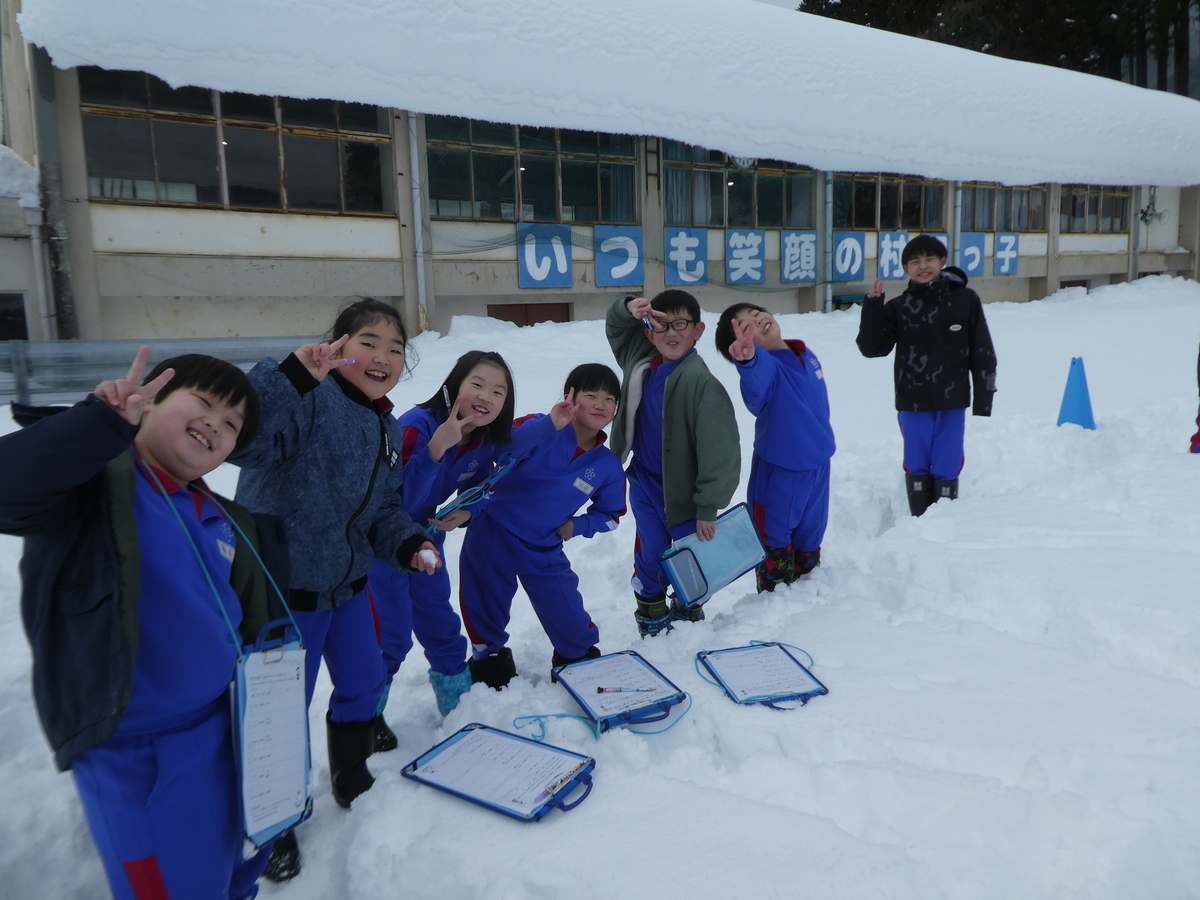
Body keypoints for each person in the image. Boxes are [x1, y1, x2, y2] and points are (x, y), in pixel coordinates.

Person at [0, 348, 288, 900]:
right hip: (135, 753)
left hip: (221, 730)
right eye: (203, 403)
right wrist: (98, 426)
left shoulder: (220, 516)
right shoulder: (91, 483)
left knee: (234, 865)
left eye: (232, 425)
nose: (216, 424)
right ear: (149, 402)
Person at [231, 298, 438, 881]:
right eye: (368, 341)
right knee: (275, 714)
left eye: (396, 349)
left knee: (365, 682)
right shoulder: (305, 400)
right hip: (279, 595)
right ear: (338, 345)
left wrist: (408, 543)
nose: (383, 357)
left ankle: (348, 772)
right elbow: (246, 437)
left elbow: (382, 512)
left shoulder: (387, 426)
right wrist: (292, 375)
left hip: (345, 591)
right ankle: (270, 826)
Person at [365, 350, 516, 728]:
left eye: (498, 392)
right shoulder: (415, 426)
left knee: (441, 625)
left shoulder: (485, 441)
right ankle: (364, 718)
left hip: (430, 542)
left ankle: (457, 709)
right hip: (385, 547)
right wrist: (436, 450)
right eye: (477, 385)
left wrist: (468, 511)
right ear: (454, 386)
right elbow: (396, 503)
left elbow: (487, 488)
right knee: (390, 636)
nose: (486, 397)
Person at [458, 364, 627, 688]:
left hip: (544, 546)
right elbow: (499, 448)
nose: (600, 404)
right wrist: (548, 426)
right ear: (570, 396)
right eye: (591, 394)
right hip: (495, 533)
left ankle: (575, 656)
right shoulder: (540, 427)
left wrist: (577, 526)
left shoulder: (606, 466)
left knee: (568, 615)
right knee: (483, 602)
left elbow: (612, 515)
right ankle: (489, 659)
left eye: (609, 398)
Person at [605, 290, 741, 636]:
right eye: (661, 325)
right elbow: (617, 329)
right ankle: (650, 608)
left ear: (698, 330)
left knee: (688, 555)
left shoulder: (702, 384)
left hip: (686, 496)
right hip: (645, 483)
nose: (671, 333)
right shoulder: (639, 359)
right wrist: (628, 309)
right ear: (649, 333)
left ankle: (688, 609)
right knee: (650, 551)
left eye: (681, 324)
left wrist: (708, 505)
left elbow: (721, 452)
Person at [856, 236, 997, 517]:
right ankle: (918, 522)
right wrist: (872, 307)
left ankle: (945, 521)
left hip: (952, 400)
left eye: (929, 259)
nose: (923, 266)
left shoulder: (965, 300)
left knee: (947, 461)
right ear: (906, 268)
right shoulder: (899, 306)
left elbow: (983, 350)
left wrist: (983, 399)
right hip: (912, 400)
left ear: (942, 262)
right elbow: (872, 349)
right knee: (916, 461)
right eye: (915, 261)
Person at [715, 303, 835, 590]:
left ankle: (811, 597)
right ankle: (773, 603)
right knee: (775, 540)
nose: (757, 320)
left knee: (810, 538)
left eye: (756, 314)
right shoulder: (766, 368)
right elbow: (757, 384)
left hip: (818, 465)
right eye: (746, 326)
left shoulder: (805, 354)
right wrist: (749, 362)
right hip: (781, 473)